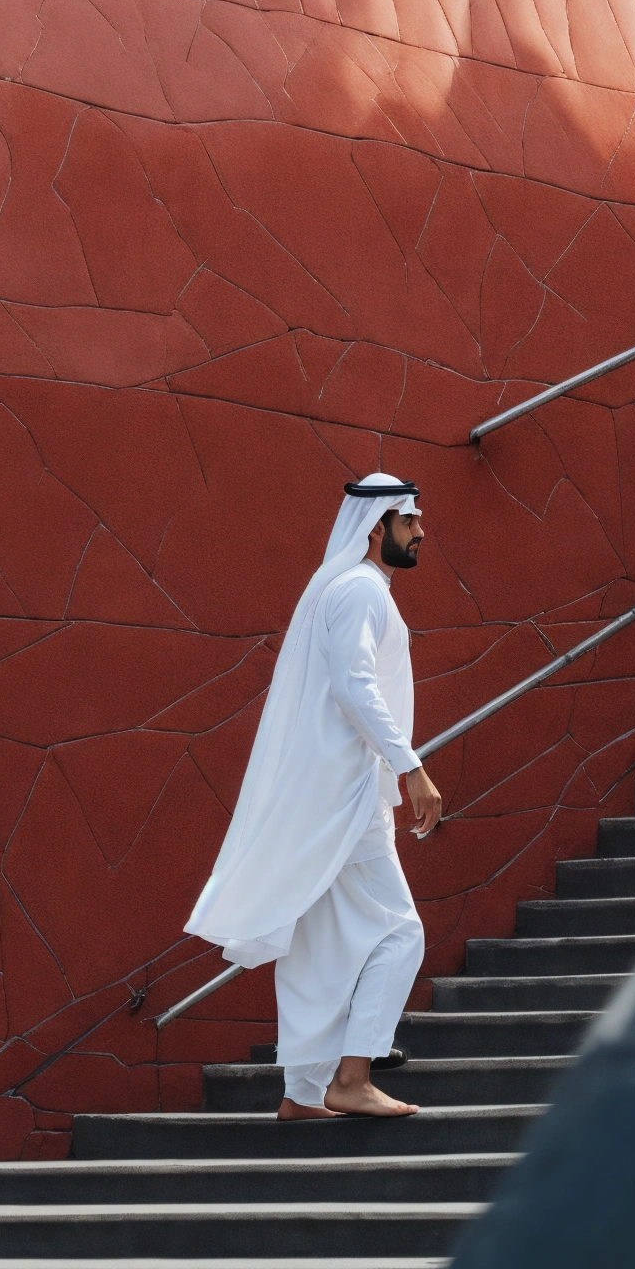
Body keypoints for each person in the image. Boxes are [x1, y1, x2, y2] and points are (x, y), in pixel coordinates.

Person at [184, 475, 442, 1119]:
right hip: (346, 796)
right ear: (376, 526)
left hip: (335, 796)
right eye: (409, 520)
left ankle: (300, 1093)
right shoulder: (359, 590)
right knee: (401, 933)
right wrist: (410, 766)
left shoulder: (349, 589)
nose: (420, 531)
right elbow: (356, 686)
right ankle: (352, 1079)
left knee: (318, 942)